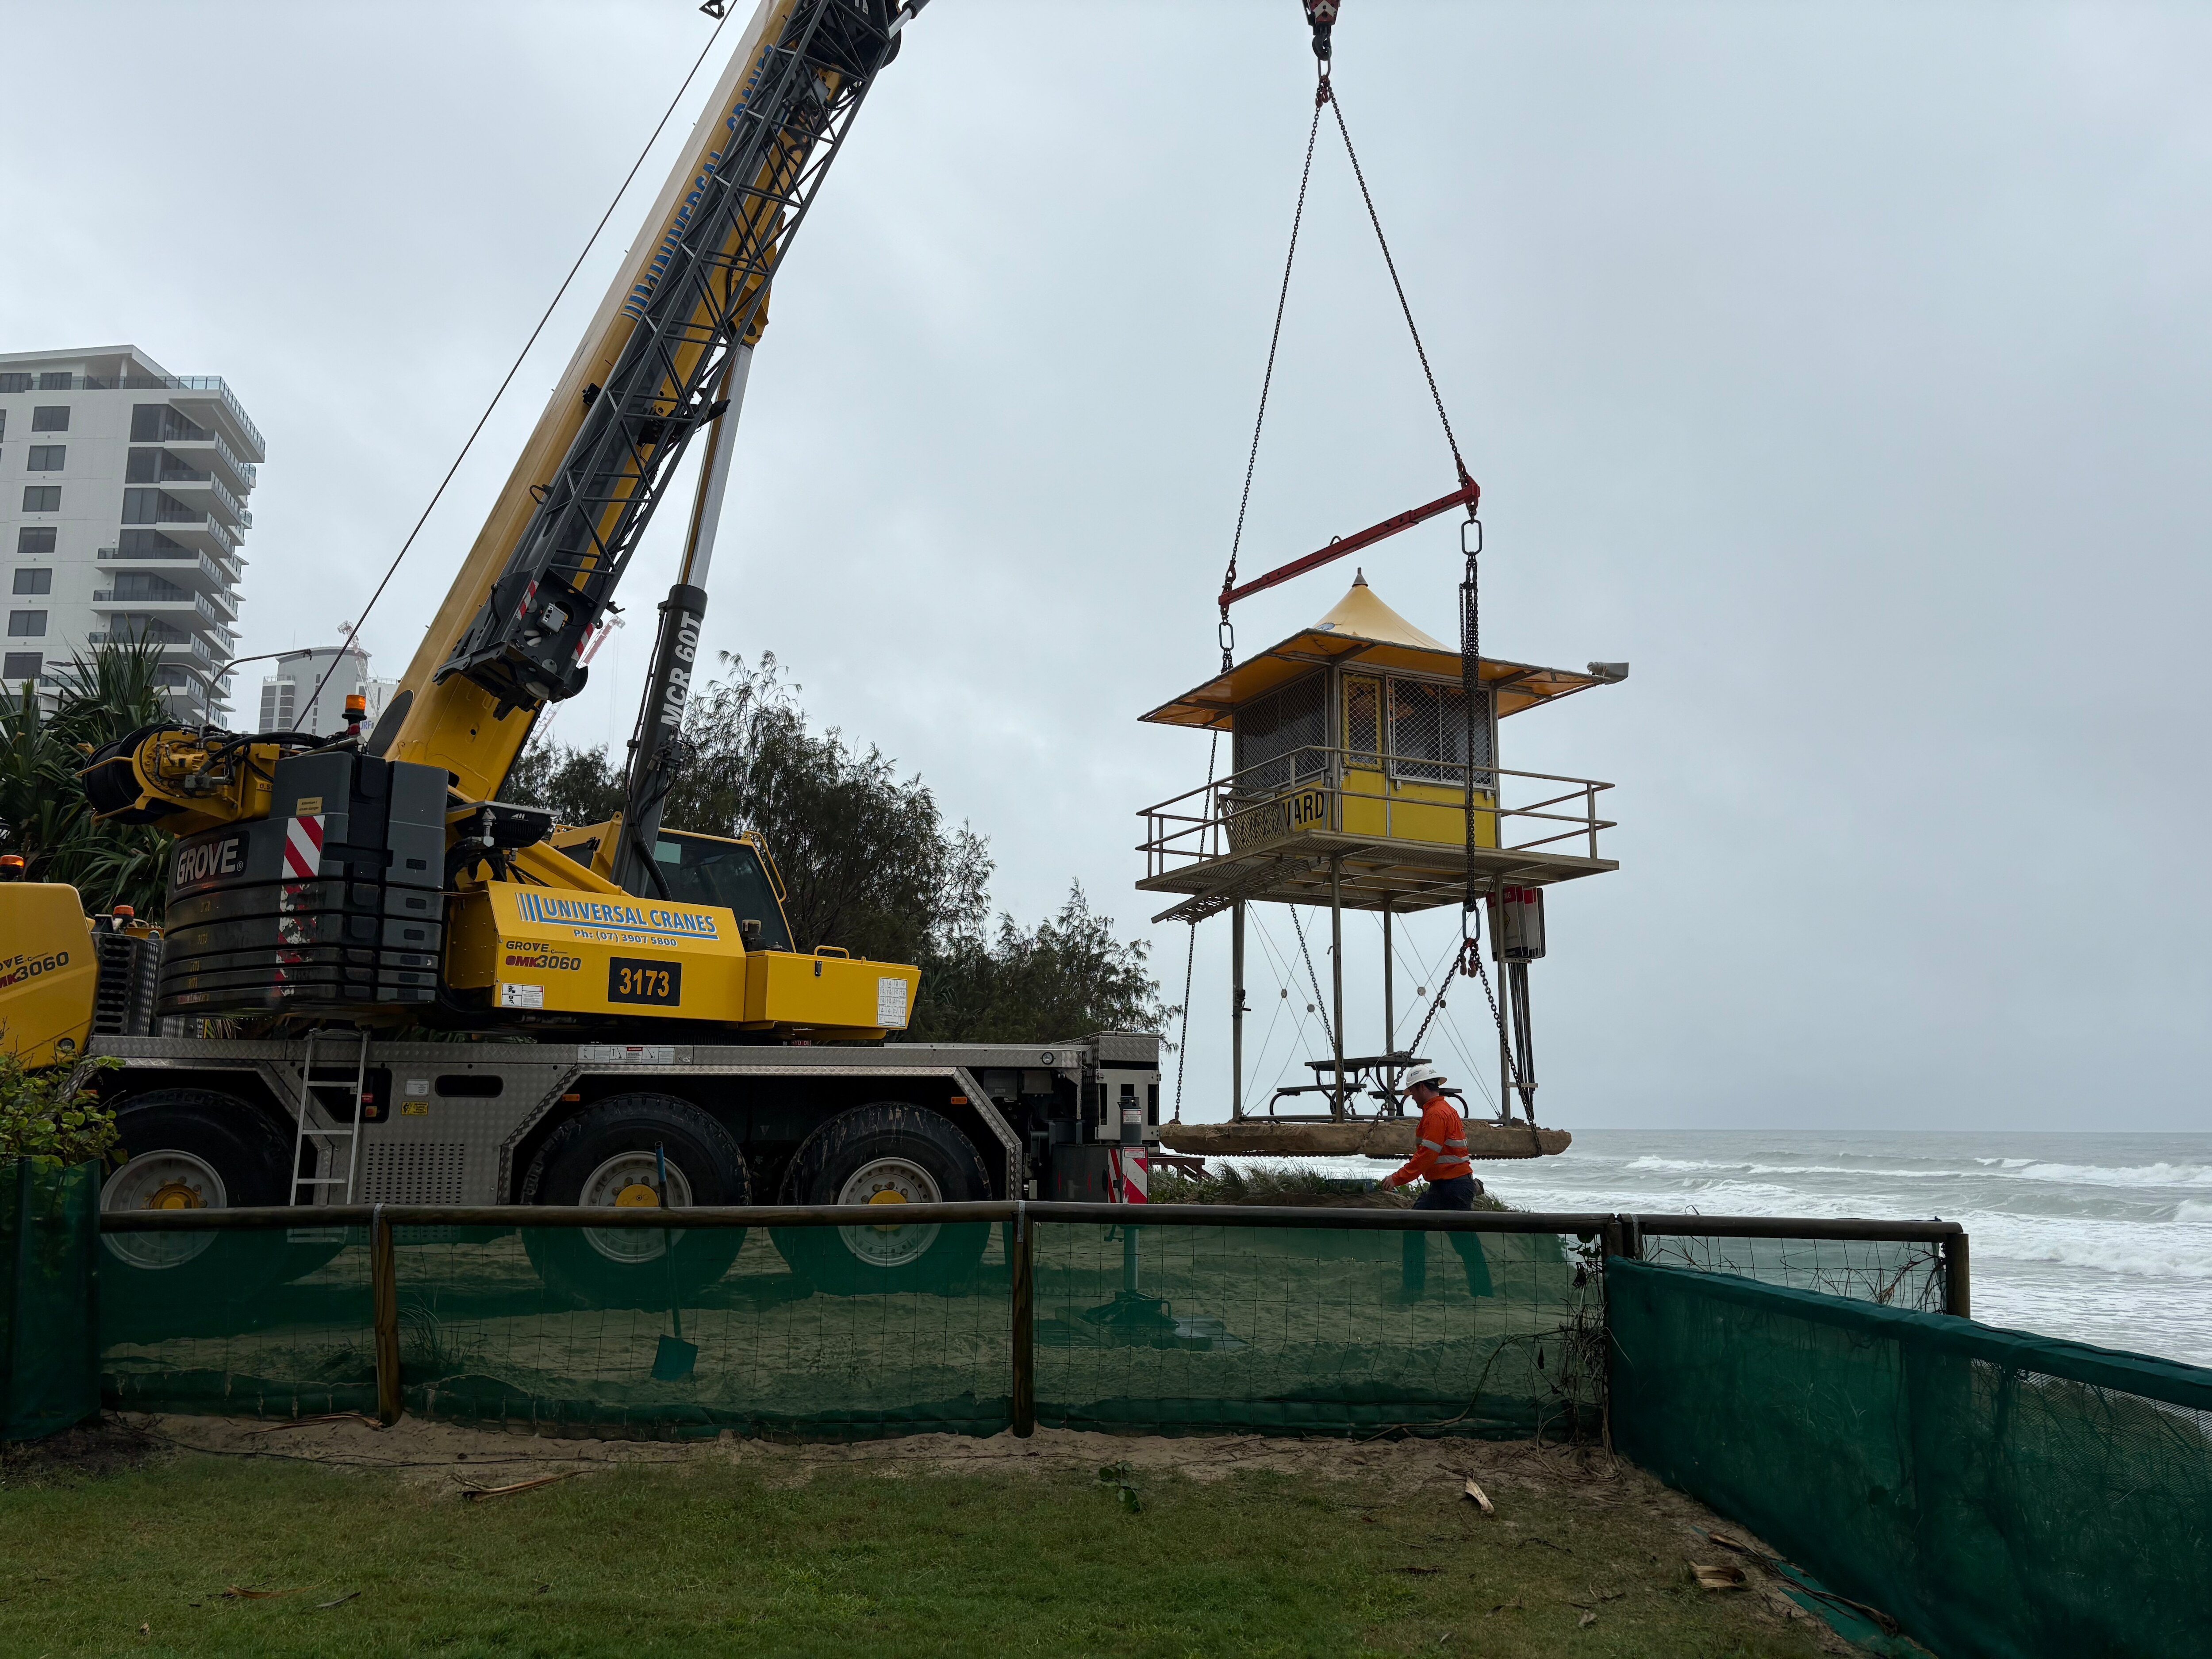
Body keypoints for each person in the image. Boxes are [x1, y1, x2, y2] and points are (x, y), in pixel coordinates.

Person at [1382, 1064, 1493, 1300]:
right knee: (1456, 1240)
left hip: (1451, 1187)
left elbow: (1427, 1155)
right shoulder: (1442, 1110)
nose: (1411, 1097)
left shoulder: (1435, 1114)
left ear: (1423, 1087)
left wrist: (1397, 1178)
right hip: (1450, 1185)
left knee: (1460, 1241)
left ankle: (1415, 1291)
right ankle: (1481, 1293)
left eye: (1412, 1091)